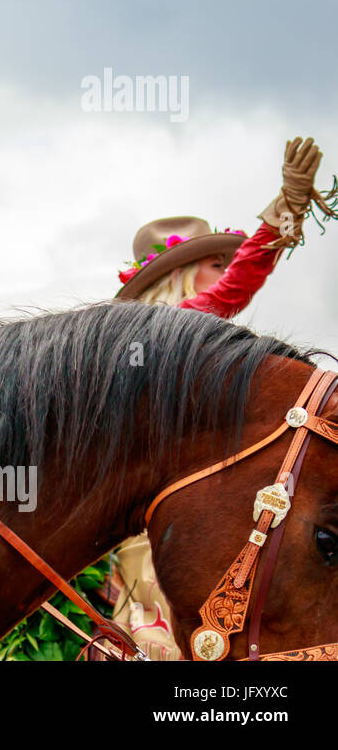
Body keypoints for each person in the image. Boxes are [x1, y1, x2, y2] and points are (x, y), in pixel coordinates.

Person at [110, 136, 333, 659]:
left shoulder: (150, 344)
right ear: (180, 276)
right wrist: (285, 211)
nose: (224, 272)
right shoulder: (176, 328)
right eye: (214, 262)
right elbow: (238, 285)